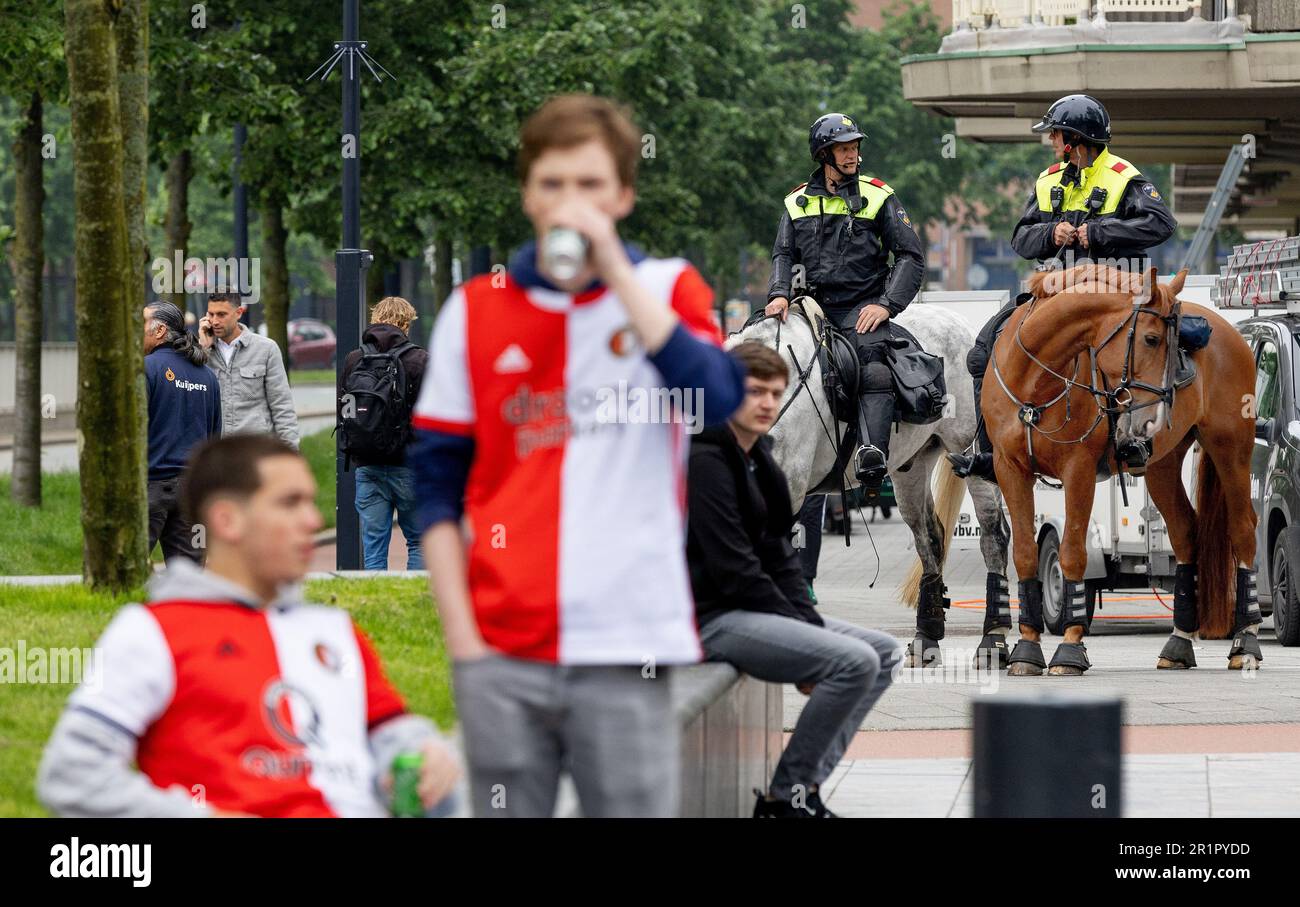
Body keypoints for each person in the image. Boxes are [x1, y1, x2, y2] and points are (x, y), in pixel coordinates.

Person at [410, 93, 746, 818]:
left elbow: (716, 397)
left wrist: (616, 276)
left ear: (623, 194)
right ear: (528, 192)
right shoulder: (474, 308)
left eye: (591, 185)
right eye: (554, 183)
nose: (572, 202)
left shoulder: (665, 289)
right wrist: (463, 640)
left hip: (628, 639)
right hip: (501, 646)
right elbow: (435, 485)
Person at [37, 435, 460, 818]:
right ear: (227, 521)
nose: (313, 521)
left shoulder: (335, 630)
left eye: (312, 503)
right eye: (290, 503)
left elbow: (393, 733)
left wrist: (424, 751)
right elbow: (72, 774)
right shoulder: (152, 631)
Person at [686, 341, 901, 818]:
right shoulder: (704, 460)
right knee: (852, 662)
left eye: (776, 393)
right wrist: (806, 644)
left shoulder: (760, 459)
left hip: (747, 610)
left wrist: (806, 622)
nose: (767, 403)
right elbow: (734, 568)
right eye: (754, 391)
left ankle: (804, 789)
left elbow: (781, 558)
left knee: (885, 653)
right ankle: (786, 798)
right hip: (708, 619)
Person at [948, 94, 1178, 482]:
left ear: (1075, 139)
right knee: (983, 349)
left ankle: (1131, 439)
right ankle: (989, 450)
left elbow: (1162, 224)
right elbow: (1021, 238)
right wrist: (1050, 232)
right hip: (1053, 293)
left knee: (1124, 355)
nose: (1051, 142)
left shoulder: (1123, 176)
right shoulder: (1048, 179)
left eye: (1055, 134)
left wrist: (1099, 233)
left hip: (1109, 293)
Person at [765, 112, 925, 492]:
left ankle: (872, 451)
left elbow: (910, 256)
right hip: (813, 306)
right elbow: (783, 256)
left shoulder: (879, 195)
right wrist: (778, 294)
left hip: (863, 306)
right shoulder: (796, 201)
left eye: (854, 147)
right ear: (824, 155)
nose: (852, 155)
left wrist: (886, 305)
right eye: (843, 148)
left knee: (872, 360)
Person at [338, 296, 429, 570]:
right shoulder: (420, 359)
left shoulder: (354, 359)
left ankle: (374, 605)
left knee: (374, 545)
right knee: (417, 542)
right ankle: (413, 605)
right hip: (409, 464)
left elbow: (344, 408)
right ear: (406, 324)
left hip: (367, 464)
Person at [143, 300, 222, 563]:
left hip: (150, 488)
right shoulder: (208, 377)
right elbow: (214, 437)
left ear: (160, 331)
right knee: (190, 578)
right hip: (192, 493)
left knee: (124, 574)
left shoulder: (146, 369)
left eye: (141, 324)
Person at [198, 288, 300, 448]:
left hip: (255, 450)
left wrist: (290, 456)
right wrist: (202, 349)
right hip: (215, 453)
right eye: (211, 314)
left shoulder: (266, 349)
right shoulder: (200, 352)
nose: (215, 321)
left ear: (239, 312)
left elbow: (282, 408)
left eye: (221, 314)